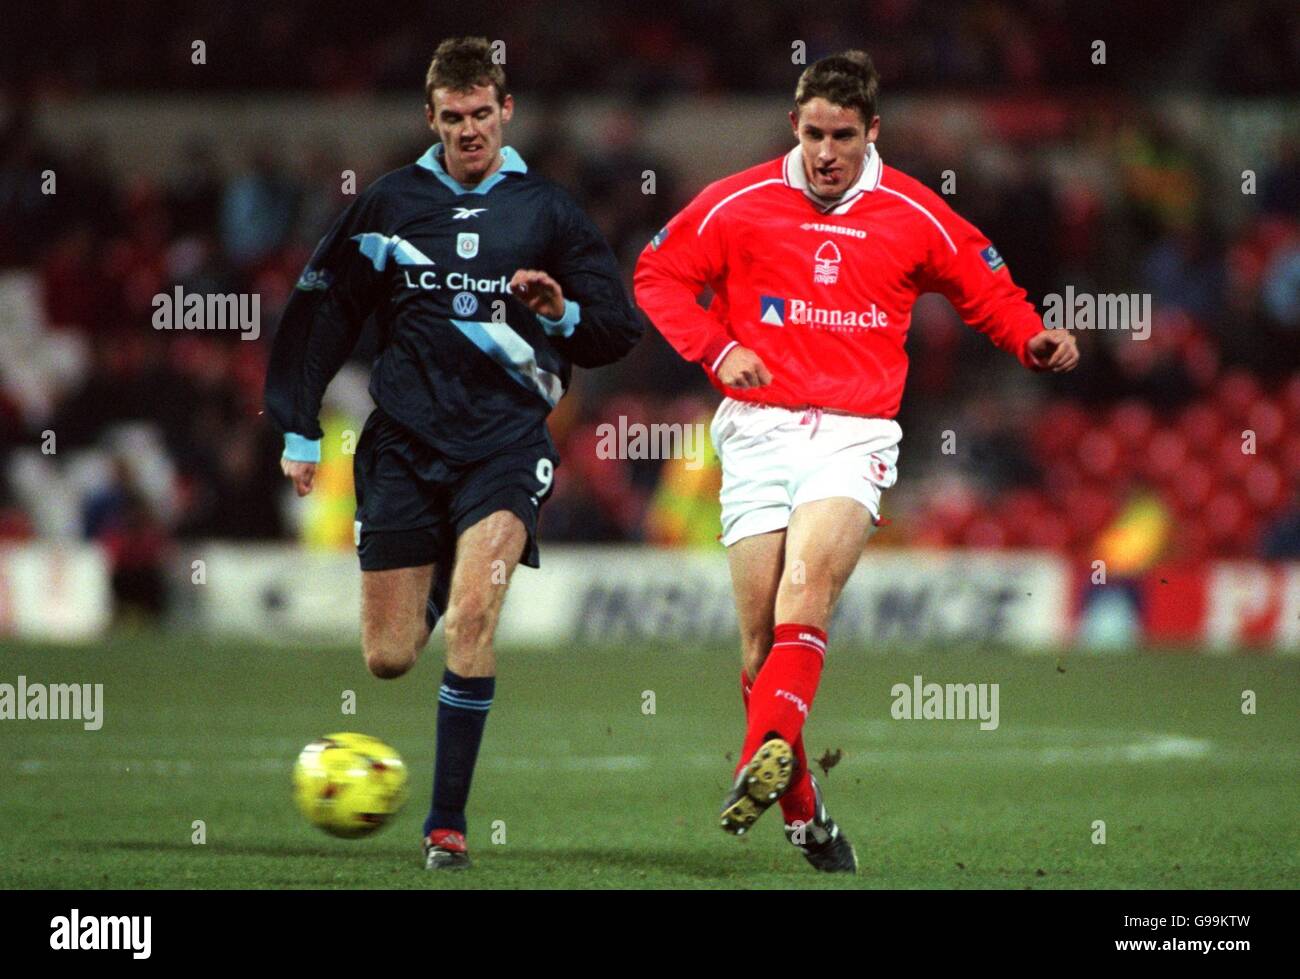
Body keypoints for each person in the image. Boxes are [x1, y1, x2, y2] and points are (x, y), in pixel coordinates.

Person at [634, 50, 1078, 873]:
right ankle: (803, 812)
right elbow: (656, 273)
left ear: (872, 131)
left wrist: (1032, 337)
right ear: (792, 128)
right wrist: (714, 346)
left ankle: (761, 750)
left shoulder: (914, 211)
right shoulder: (738, 202)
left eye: (843, 134)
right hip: (756, 430)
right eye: (813, 134)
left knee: (807, 590)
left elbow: (986, 287)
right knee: (758, 642)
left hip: (853, 432)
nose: (827, 152)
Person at [265, 36, 643, 870]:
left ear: (505, 111)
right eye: (453, 117)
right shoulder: (390, 206)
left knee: (475, 621)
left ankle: (445, 826)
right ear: (428, 118)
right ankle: (434, 575)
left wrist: (559, 312)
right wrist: (298, 427)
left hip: (504, 445)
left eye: (482, 113)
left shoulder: (546, 210)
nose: (469, 129)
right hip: (402, 440)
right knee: (390, 656)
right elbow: (323, 311)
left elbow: (617, 326)